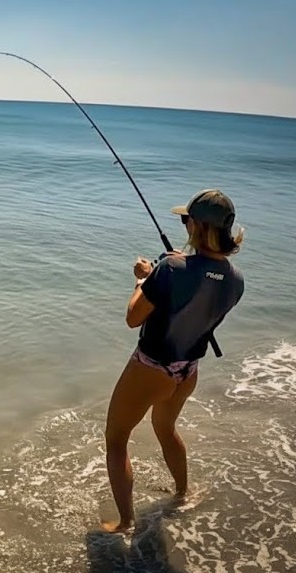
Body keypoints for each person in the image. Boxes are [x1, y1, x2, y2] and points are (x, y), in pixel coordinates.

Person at [100, 188, 246, 533]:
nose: (184, 224)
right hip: (187, 371)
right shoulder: (236, 280)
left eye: (185, 220)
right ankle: (183, 493)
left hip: (151, 368)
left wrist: (143, 279)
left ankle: (125, 523)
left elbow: (134, 318)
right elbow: (202, 286)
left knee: (117, 440)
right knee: (165, 429)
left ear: (195, 225)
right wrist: (176, 265)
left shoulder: (170, 269)